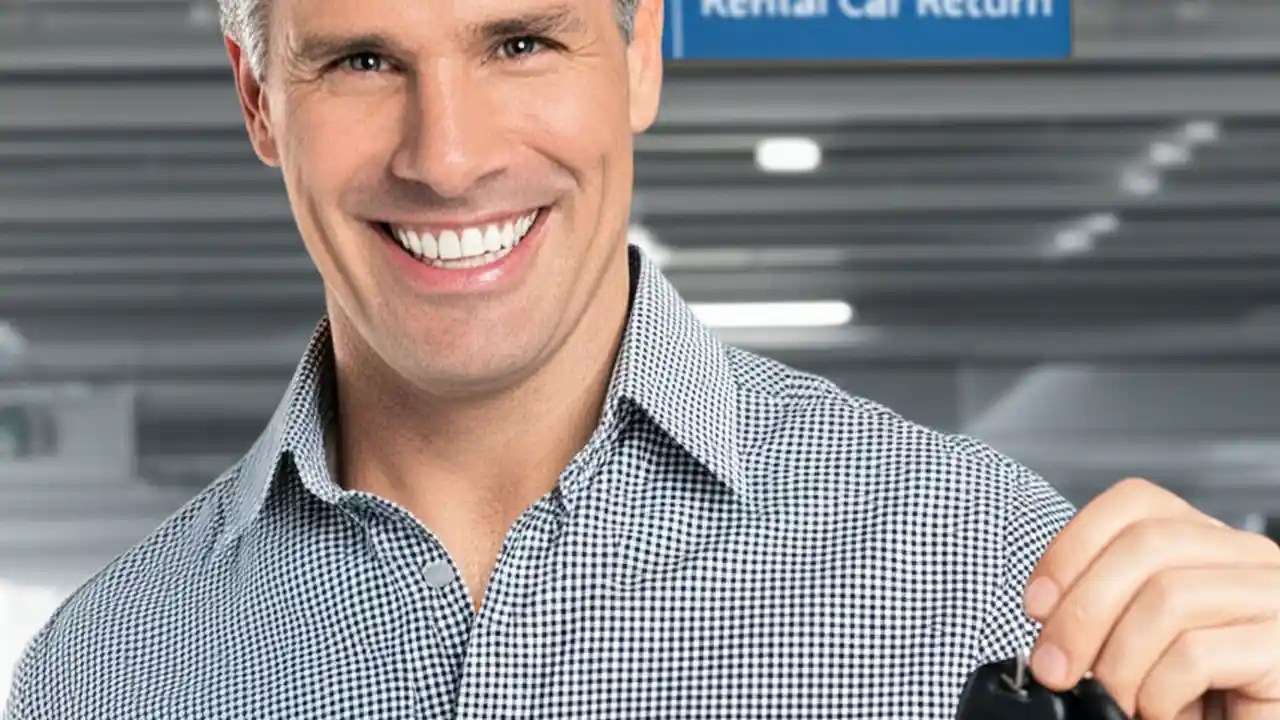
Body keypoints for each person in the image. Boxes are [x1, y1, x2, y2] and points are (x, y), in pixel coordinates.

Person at [6, 0, 1279, 717]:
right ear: (255, 100)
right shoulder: (104, 668)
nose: (445, 156)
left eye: (518, 41)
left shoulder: (992, 580)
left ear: (642, 55)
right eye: (359, 61)